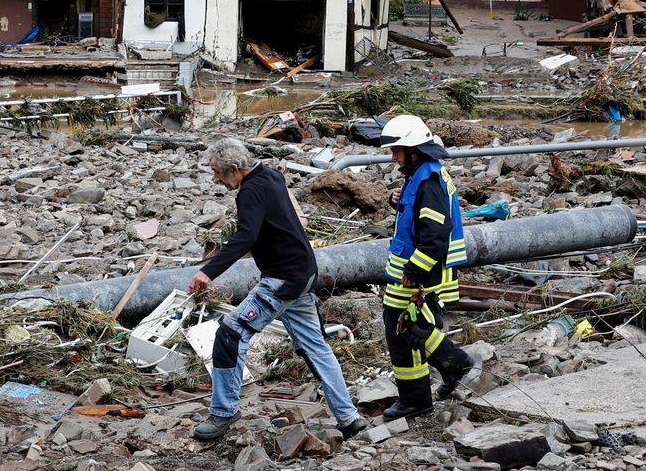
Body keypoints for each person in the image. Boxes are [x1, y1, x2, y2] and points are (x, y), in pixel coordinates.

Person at [188, 138, 365, 441]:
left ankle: (224, 412)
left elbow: (245, 236)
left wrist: (208, 271)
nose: (215, 178)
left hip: (281, 281)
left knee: (230, 335)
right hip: (305, 274)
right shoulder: (270, 175)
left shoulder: (250, 191)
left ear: (234, 169)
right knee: (316, 347)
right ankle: (349, 418)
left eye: (217, 172)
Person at [377, 115, 476, 421]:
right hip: (414, 271)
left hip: (422, 273)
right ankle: (430, 384)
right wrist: (398, 201)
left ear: (415, 149)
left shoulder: (428, 183)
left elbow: (434, 237)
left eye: (398, 149)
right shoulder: (420, 175)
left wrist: (416, 272)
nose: (393, 155)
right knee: (406, 327)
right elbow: (415, 216)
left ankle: (428, 388)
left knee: (407, 329)